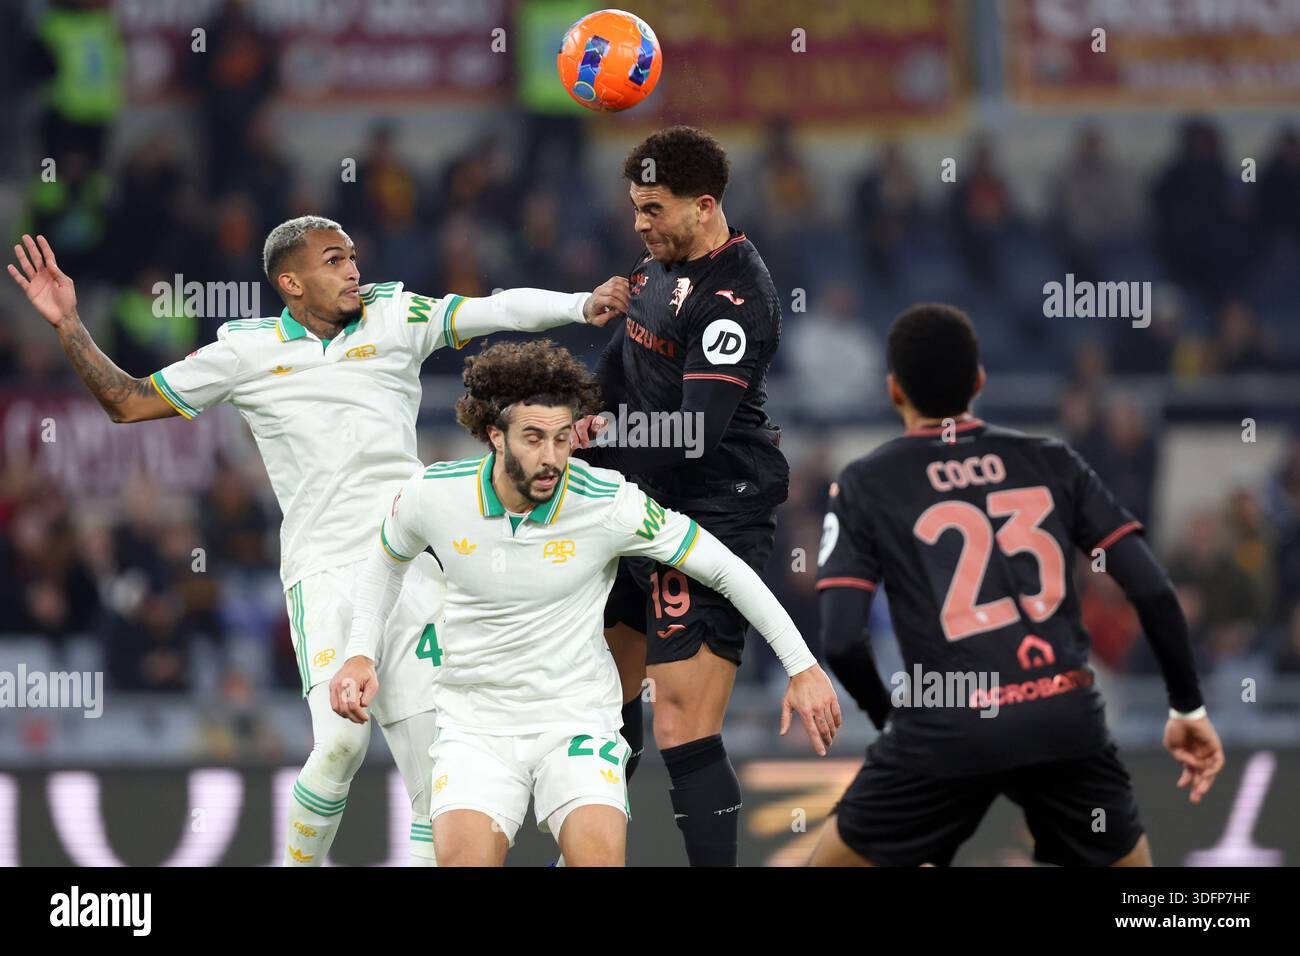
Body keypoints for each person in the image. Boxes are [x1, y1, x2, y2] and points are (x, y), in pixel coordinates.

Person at [7, 222, 628, 866]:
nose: (354, 270)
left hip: (415, 567)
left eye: (354, 256)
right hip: (325, 570)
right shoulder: (245, 351)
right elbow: (128, 403)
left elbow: (491, 310)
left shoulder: (393, 315)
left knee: (437, 789)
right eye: (336, 261)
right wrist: (68, 325)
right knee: (339, 747)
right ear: (291, 282)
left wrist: (578, 305)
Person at [334, 340, 838, 866]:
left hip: (576, 719)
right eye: (533, 438)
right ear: (494, 435)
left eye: (560, 437)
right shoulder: (433, 495)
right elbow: (385, 560)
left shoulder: (608, 502)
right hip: (475, 724)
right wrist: (360, 652)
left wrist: (801, 665)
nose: (552, 457)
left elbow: (724, 568)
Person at [808, 303, 1225, 867]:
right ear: (979, 382)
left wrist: (893, 722)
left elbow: (839, 639)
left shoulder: (867, 482)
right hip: (1062, 715)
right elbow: (1151, 589)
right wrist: (1187, 708)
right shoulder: (1050, 460)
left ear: (893, 391)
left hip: (947, 726)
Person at [572, 126, 798, 866]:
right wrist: (564, 417)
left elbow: (696, 430)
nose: (639, 223)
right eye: (636, 207)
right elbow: (620, 361)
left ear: (704, 207)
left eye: (653, 209)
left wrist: (599, 432)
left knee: (679, 724)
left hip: (714, 509)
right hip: (636, 503)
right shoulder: (657, 266)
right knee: (599, 711)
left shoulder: (735, 298)